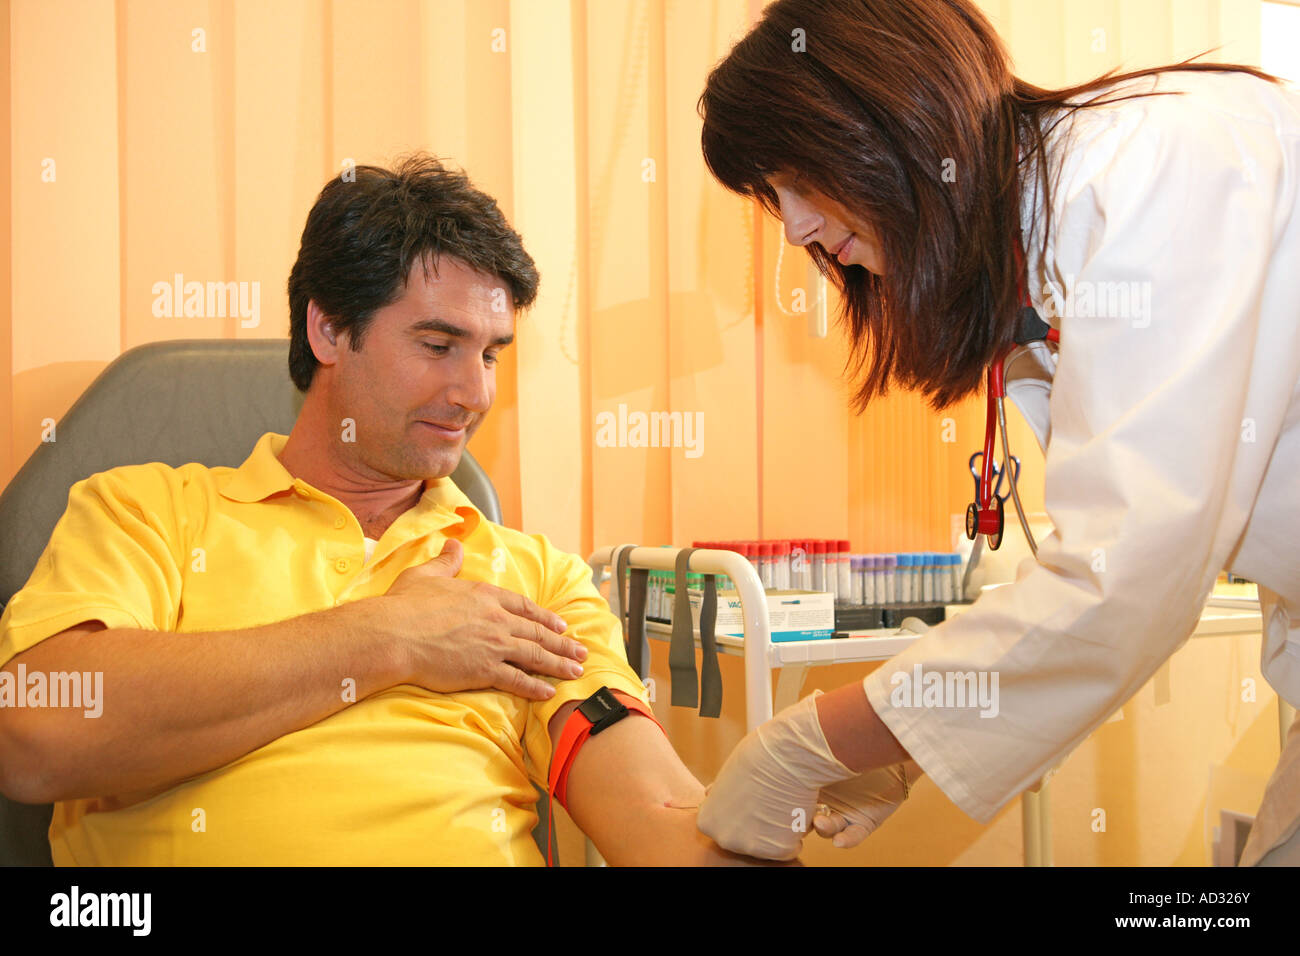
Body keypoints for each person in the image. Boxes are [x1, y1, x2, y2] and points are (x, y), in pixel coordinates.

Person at [0, 155, 783, 866]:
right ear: (330, 328)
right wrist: (385, 637)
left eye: (490, 353)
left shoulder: (535, 579)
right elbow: (36, 736)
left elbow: (655, 817)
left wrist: (782, 782)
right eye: (438, 345)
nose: (474, 394)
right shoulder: (150, 514)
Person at [692, 0, 1300, 866]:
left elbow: (1122, 574)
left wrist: (830, 736)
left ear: (891, 114)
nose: (794, 229)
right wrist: (906, 737)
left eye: (798, 177)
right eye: (773, 197)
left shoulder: (1148, 170)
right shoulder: (1051, 245)